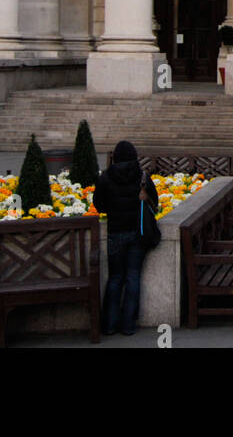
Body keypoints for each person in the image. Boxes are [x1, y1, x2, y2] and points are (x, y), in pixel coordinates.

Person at [92, 140, 158, 337]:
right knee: (132, 277)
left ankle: (110, 325)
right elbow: (154, 202)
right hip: (137, 233)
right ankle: (128, 325)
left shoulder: (106, 177)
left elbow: (99, 205)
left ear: (116, 158)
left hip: (115, 233)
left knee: (115, 278)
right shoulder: (142, 176)